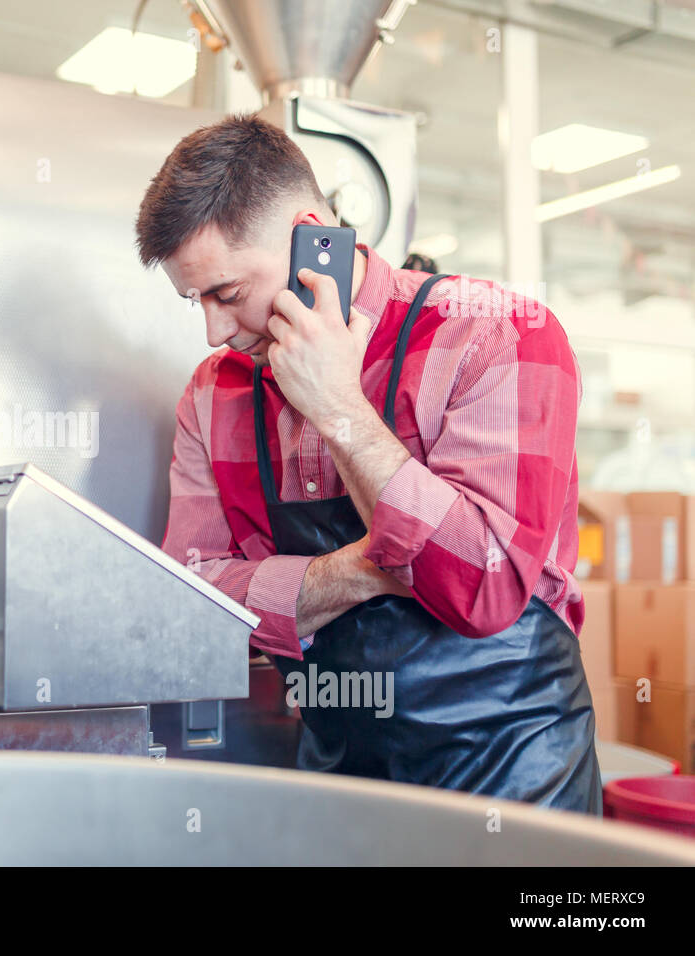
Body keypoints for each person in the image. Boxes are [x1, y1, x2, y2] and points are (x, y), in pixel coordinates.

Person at [136, 113, 601, 813]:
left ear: (308, 237)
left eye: (228, 293)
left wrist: (338, 408)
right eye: (194, 300)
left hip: (514, 775)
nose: (215, 331)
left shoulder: (497, 334)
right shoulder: (212, 395)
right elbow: (192, 605)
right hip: (342, 779)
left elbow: (486, 583)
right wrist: (372, 564)